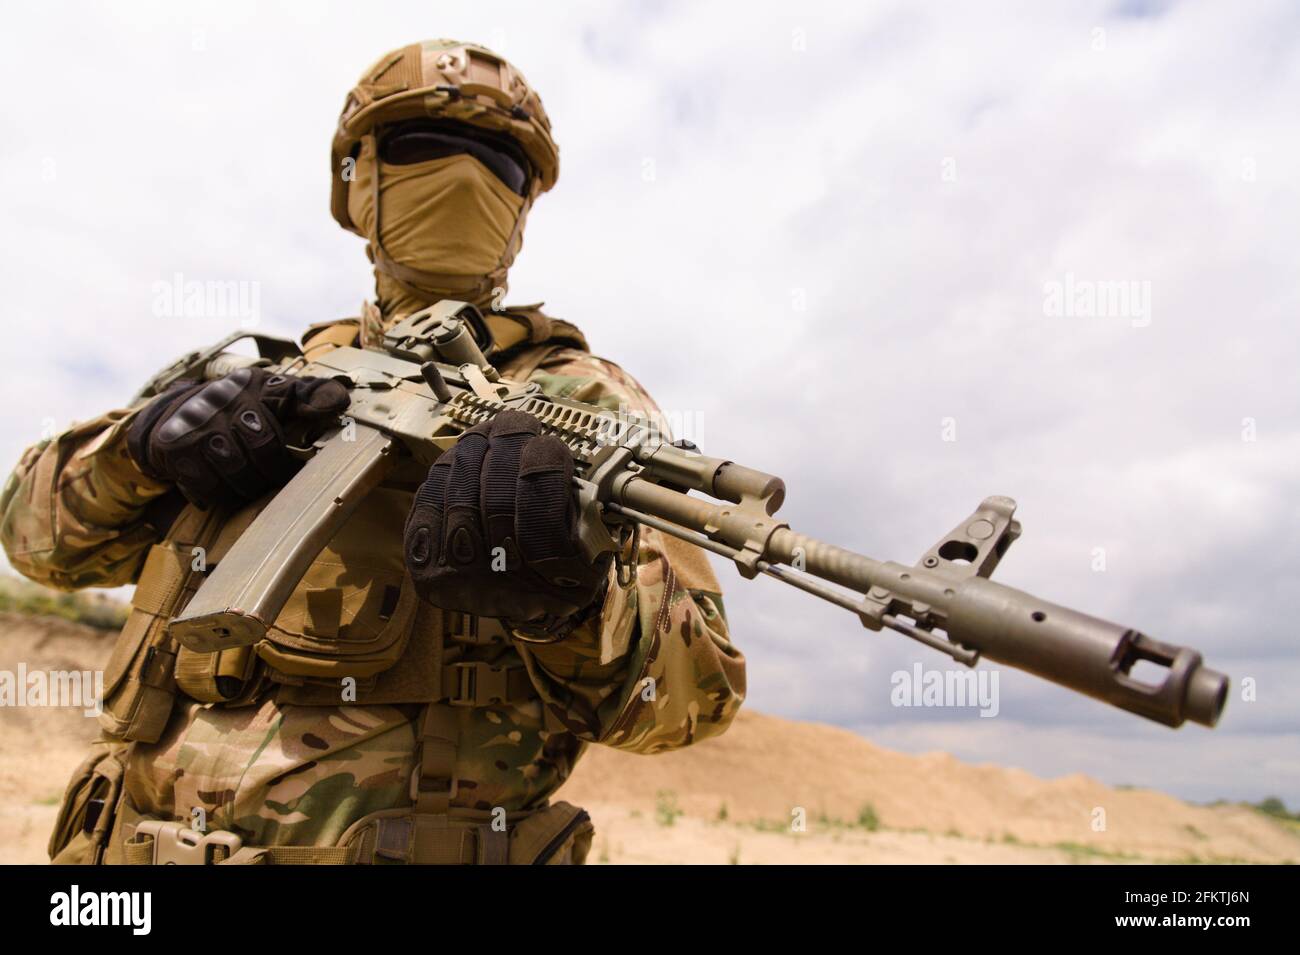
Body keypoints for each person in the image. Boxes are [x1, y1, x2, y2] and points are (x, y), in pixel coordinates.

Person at [1, 39, 746, 865]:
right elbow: (36, 543)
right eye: (421, 147)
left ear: (524, 210)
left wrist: (570, 605)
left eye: (500, 164)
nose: (465, 178)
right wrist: (135, 453)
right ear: (354, 182)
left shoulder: (582, 400)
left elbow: (693, 697)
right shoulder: (272, 375)